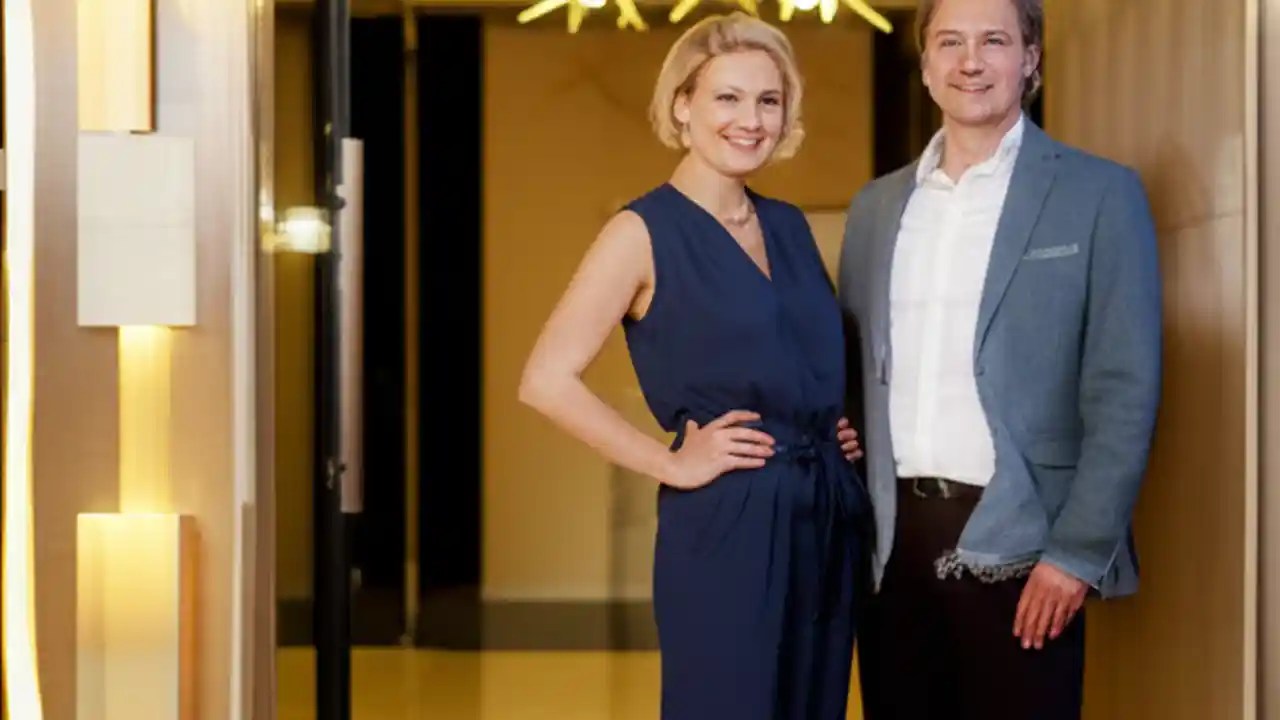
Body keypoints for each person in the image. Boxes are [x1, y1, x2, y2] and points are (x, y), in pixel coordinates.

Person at [520, 13, 868, 720]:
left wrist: (832, 424)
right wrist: (668, 463)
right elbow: (545, 380)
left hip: (826, 510)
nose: (751, 120)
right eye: (727, 98)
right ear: (683, 105)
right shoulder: (640, 232)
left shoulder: (789, 226)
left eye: (768, 101)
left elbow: (803, 357)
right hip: (729, 515)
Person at [837, 0, 1162, 718]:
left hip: (1026, 546)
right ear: (926, 65)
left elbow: (1124, 389)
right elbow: (853, 366)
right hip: (890, 550)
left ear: (1030, 58)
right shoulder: (875, 209)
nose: (971, 62)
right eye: (949, 42)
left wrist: (1077, 553)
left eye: (994, 41)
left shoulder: (1099, 195)